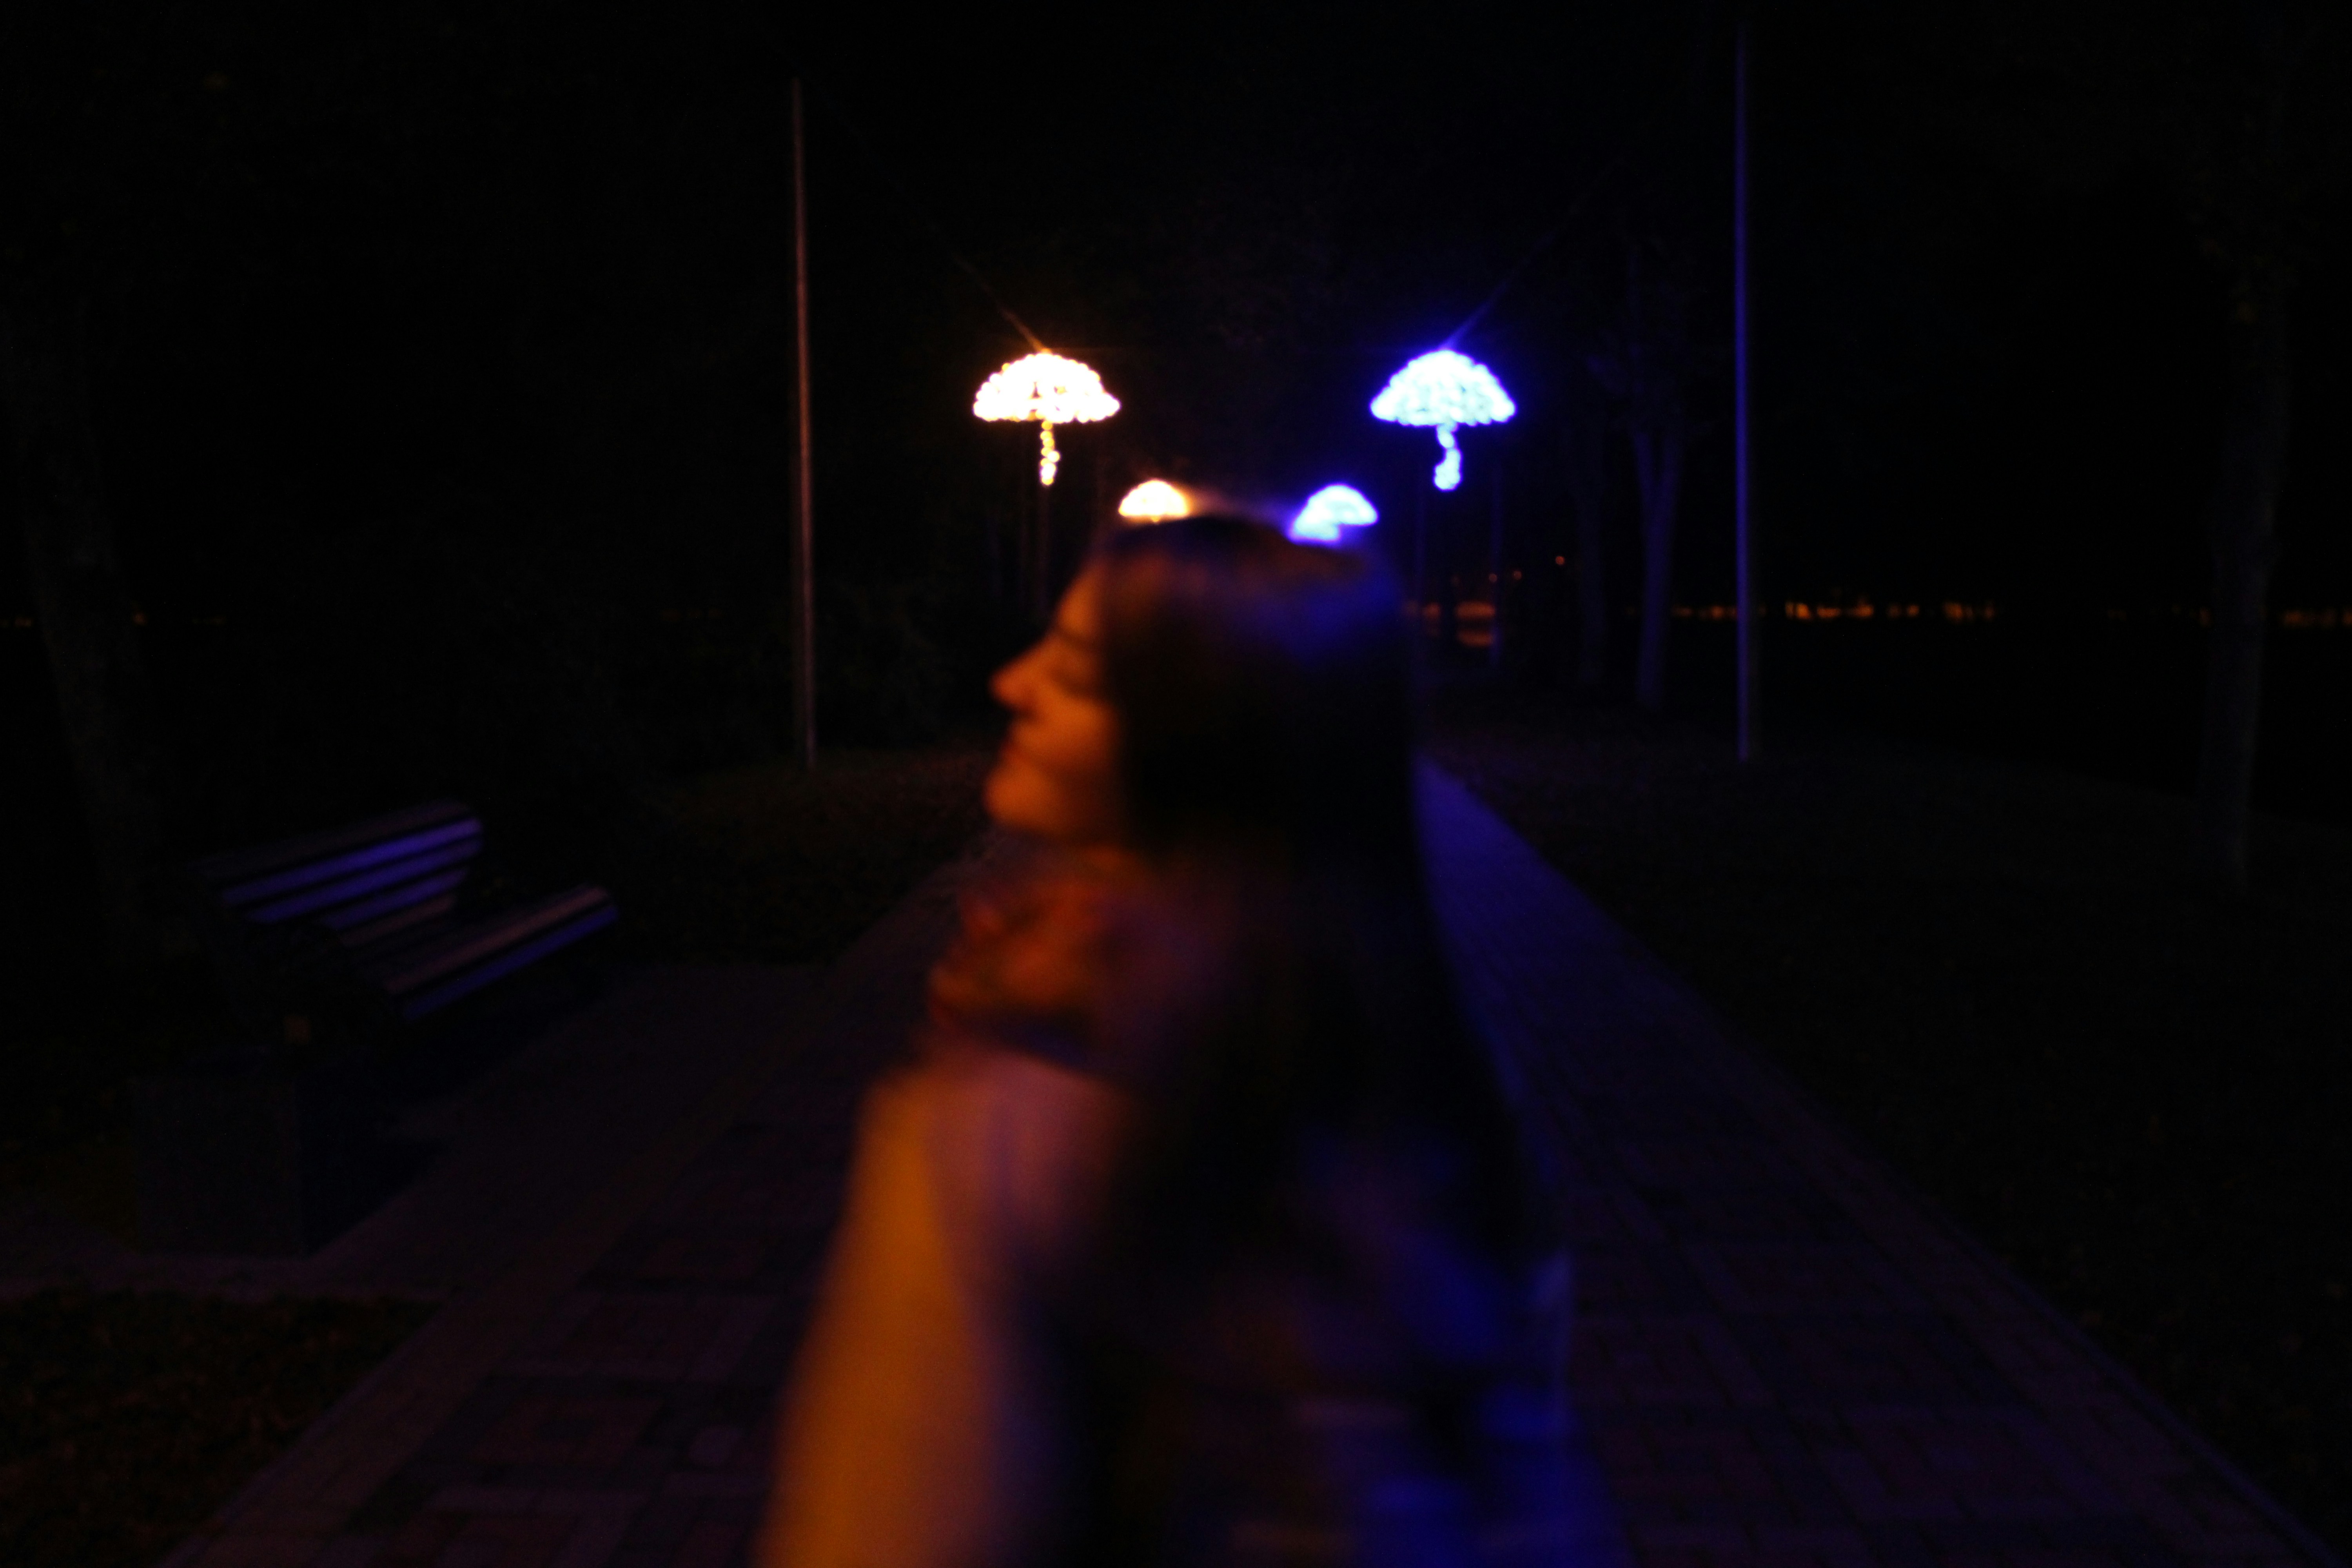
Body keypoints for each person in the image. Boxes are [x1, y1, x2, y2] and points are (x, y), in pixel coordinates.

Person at [759, 517, 1615, 1567]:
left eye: (1073, 673)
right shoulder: (1432, 1059)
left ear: (1195, 739)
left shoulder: (1013, 1115)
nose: (1012, 684)